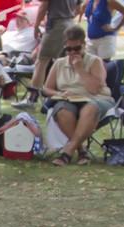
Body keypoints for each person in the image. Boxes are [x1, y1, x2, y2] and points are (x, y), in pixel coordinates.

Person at [44, 25, 116, 165]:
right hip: (69, 99)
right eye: (68, 49)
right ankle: (81, 150)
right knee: (63, 110)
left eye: (76, 48)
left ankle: (67, 151)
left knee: (90, 108)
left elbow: (95, 89)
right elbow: (47, 89)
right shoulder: (59, 63)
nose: (72, 52)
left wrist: (80, 69)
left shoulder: (95, 61)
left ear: (83, 44)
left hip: (96, 98)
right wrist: (60, 93)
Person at [13, 0, 82, 108]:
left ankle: (32, 99)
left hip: (57, 24)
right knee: (66, 62)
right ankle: (67, 94)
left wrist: (36, 26)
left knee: (41, 61)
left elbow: (43, 6)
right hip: (69, 22)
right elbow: (79, 7)